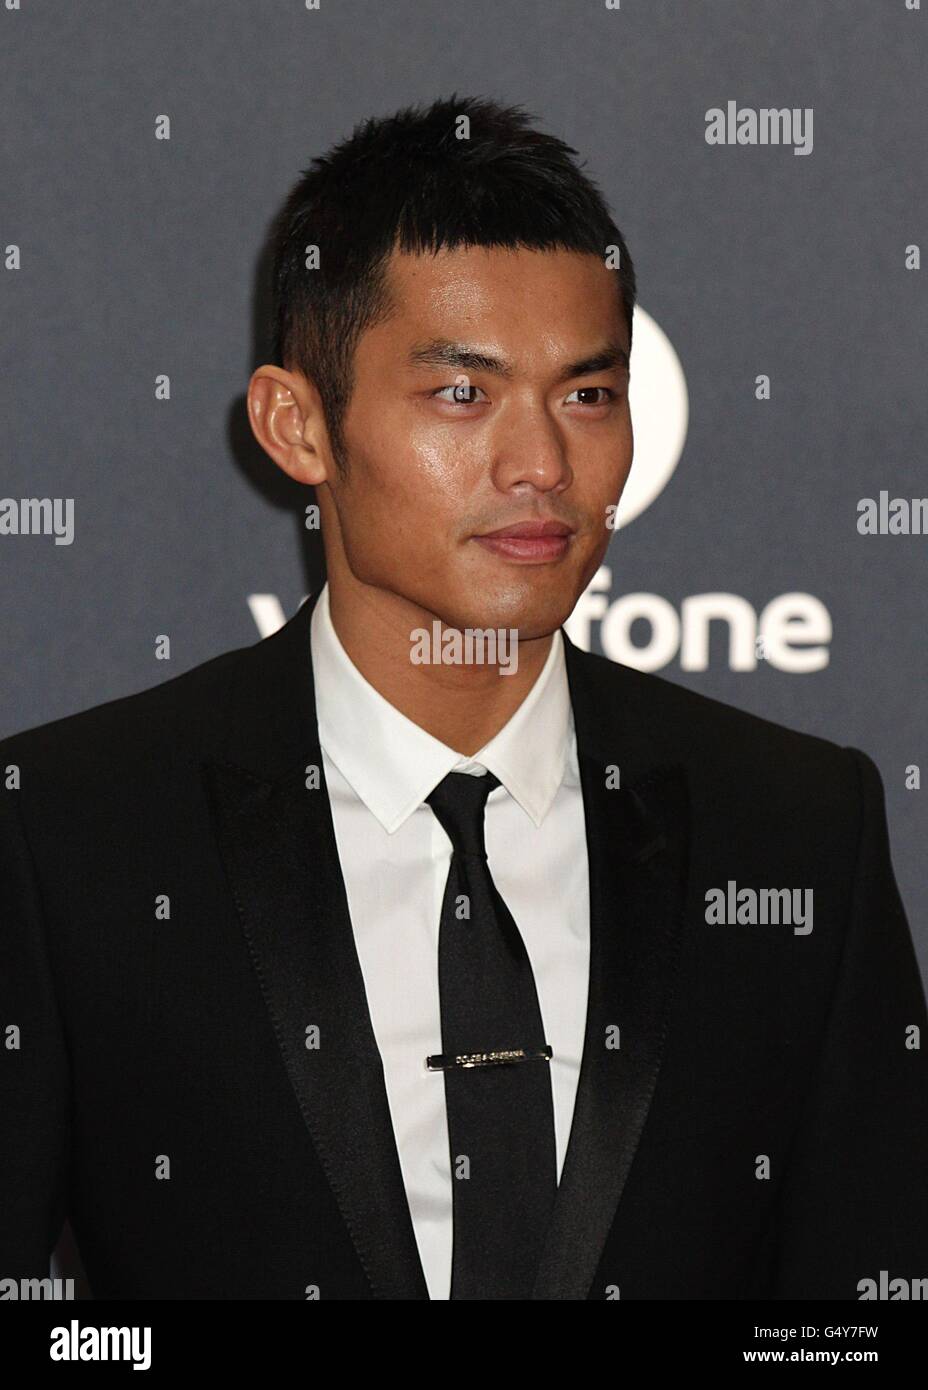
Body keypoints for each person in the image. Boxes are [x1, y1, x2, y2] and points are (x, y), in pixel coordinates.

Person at [1, 94, 926, 1301]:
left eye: (587, 395)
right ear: (297, 426)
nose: (541, 463)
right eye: (461, 395)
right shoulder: (72, 828)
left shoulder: (800, 823)